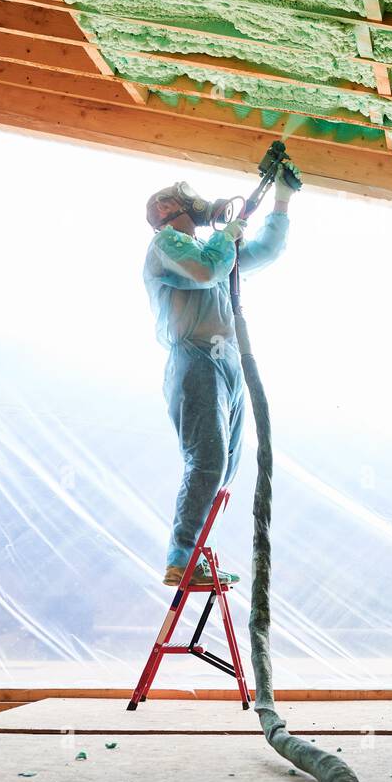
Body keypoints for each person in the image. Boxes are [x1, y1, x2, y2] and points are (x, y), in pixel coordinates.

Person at [143, 166, 298, 585]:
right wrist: (227, 234)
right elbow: (204, 271)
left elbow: (264, 252)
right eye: (181, 196)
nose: (195, 200)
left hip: (226, 364)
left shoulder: (212, 249)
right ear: (163, 208)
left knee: (225, 468)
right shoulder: (168, 244)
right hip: (194, 361)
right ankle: (181, 558)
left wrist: (281, 202)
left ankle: (196, 556)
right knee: (207, 460)